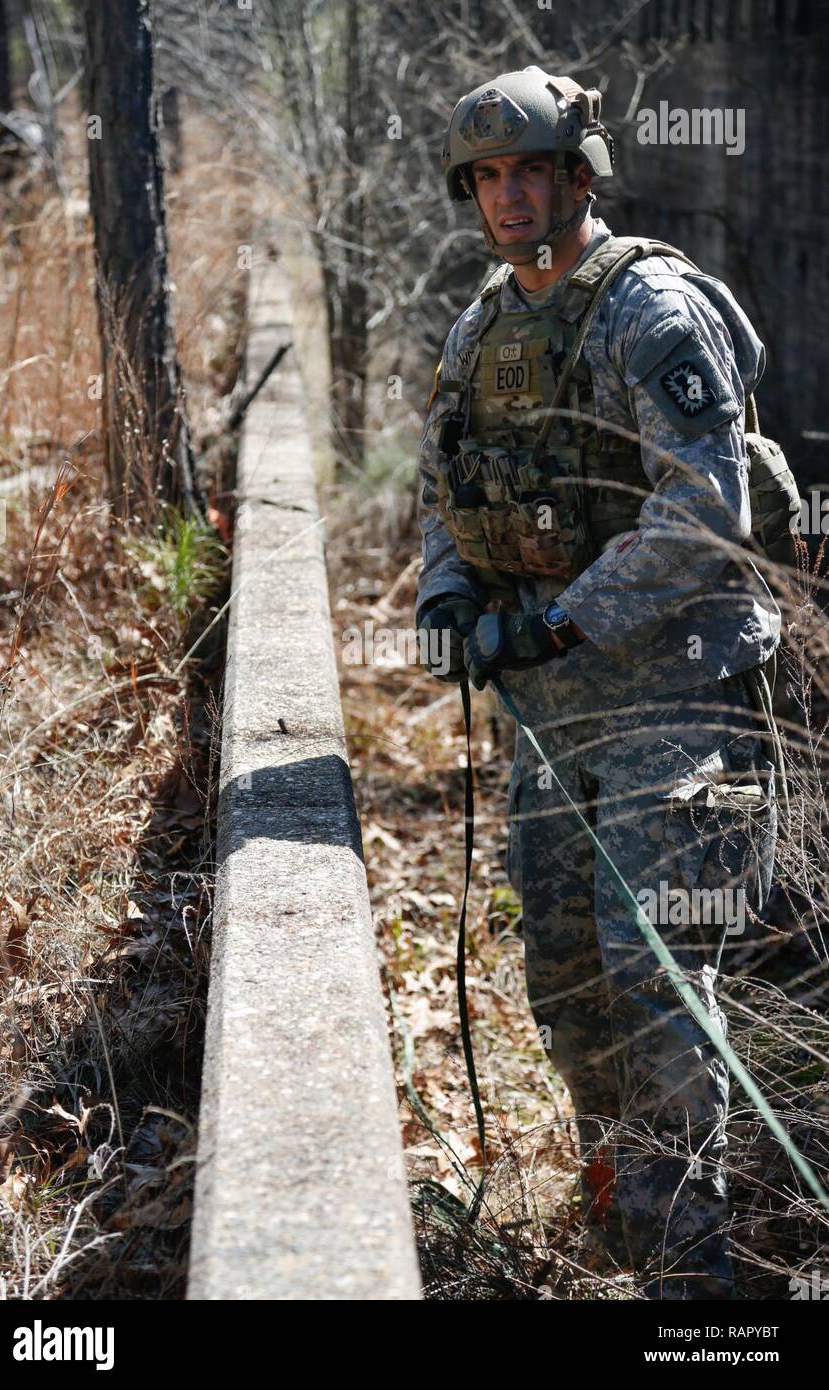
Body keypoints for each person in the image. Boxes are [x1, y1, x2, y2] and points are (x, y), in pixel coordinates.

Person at [414, 66, 785, 1299]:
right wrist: (447, 596)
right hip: (551, 719)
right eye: (488, 178)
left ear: (578, 177)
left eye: (530, 171)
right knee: (566, 980)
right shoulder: (482, 325)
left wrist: (561, 624)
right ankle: (621, 1232)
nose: (508, 196)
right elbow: (443, 483)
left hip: (673, 707)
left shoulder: (649, 312)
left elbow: (702, 513)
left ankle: (698, 1285)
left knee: (661, 987)